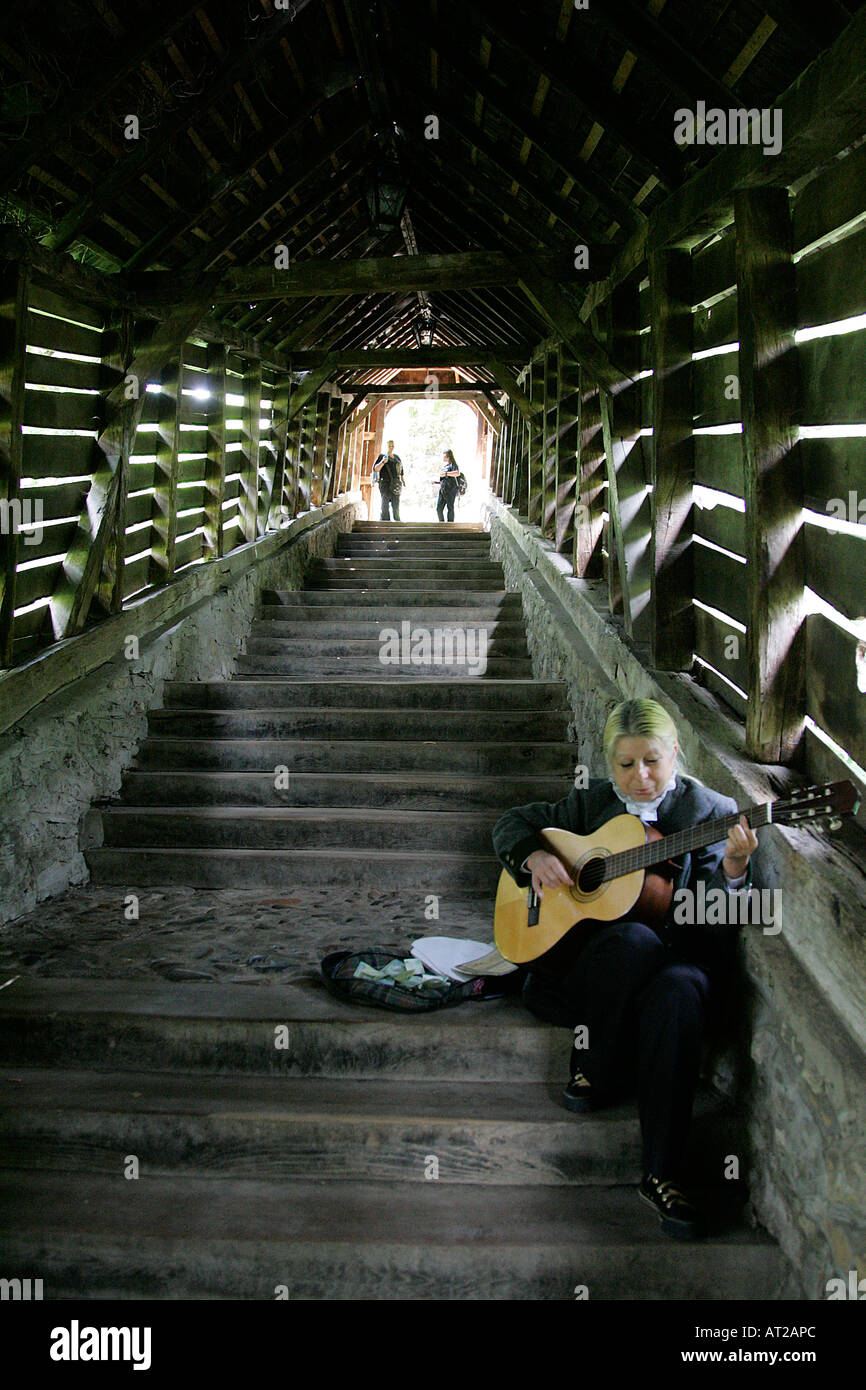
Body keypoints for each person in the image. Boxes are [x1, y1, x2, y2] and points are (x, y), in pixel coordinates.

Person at [492, 698, 758, 1238]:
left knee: (679, 987)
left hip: (679, 962)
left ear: (676, 753)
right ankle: (598, 1064)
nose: (641, 777)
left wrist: (732, 873)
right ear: (608, 764)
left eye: (653, 761)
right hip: (602, 970)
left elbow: (714, 929)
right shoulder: (591, 806)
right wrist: (532, 856)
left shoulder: (711, 814)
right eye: (626, 764)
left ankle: (662, 1174)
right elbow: (512, 822)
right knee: (632, 939)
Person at [372, 440, 404, 521]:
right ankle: (385, 523)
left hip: (396, 484)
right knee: (385, 506)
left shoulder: (397, 458)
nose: (391, 448)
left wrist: (402, 480)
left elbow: (401, 470)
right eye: (389, 446)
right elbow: (376, 469)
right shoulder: (382, 457)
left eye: (392, 446)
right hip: (385, 484)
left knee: (396, 505)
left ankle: (397, 524)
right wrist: (383, 462)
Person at [436, 449, 460, 523]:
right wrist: (437, 482)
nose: (443, 457)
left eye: (444, 455)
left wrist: (446, 474)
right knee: (439, 508)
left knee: (450, 508)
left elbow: (457, 473)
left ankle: (450, 525)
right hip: (443, 489)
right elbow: (444, 478)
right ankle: (442, 523)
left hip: (450, 490)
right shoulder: (446, 466)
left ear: (448, 456)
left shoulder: (453, 464)